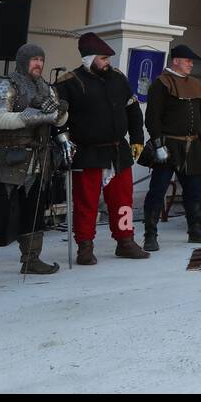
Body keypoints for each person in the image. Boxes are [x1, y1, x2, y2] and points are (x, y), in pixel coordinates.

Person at [0, 43, 68, 288]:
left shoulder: (47, 88)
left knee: (34, 212)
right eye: (34, 59)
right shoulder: (5, 85)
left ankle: (31, 260)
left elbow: (57, 121)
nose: (39, 64)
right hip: (9, 155)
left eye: (41, 60)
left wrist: (63, 113)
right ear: (23, 61)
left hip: (40, 157)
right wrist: (39, 115)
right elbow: (0, 119)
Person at [52, 33, 149, 265]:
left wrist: (137, 138)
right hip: (87, 152)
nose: (108, 62)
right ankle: (85, 246)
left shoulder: (118, 78)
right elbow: (58, 120)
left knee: (123, 200)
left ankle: (125, 241)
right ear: (89, 58)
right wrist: (63, 143)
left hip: (118, 151)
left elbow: (133, 109)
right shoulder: (68, 82)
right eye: (103, 58)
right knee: (86, 203)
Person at [140, 44, 201, 251]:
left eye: (191, 61)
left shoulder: (195, 84)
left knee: (194, 190)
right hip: (168, 144)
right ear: (176, 61)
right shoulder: (161, 84)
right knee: (157, 191)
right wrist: (157, 144)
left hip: (192, 146)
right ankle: (150, 235)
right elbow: (152, 118)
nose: (191, 64)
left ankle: (195, 231)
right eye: (187, 60)